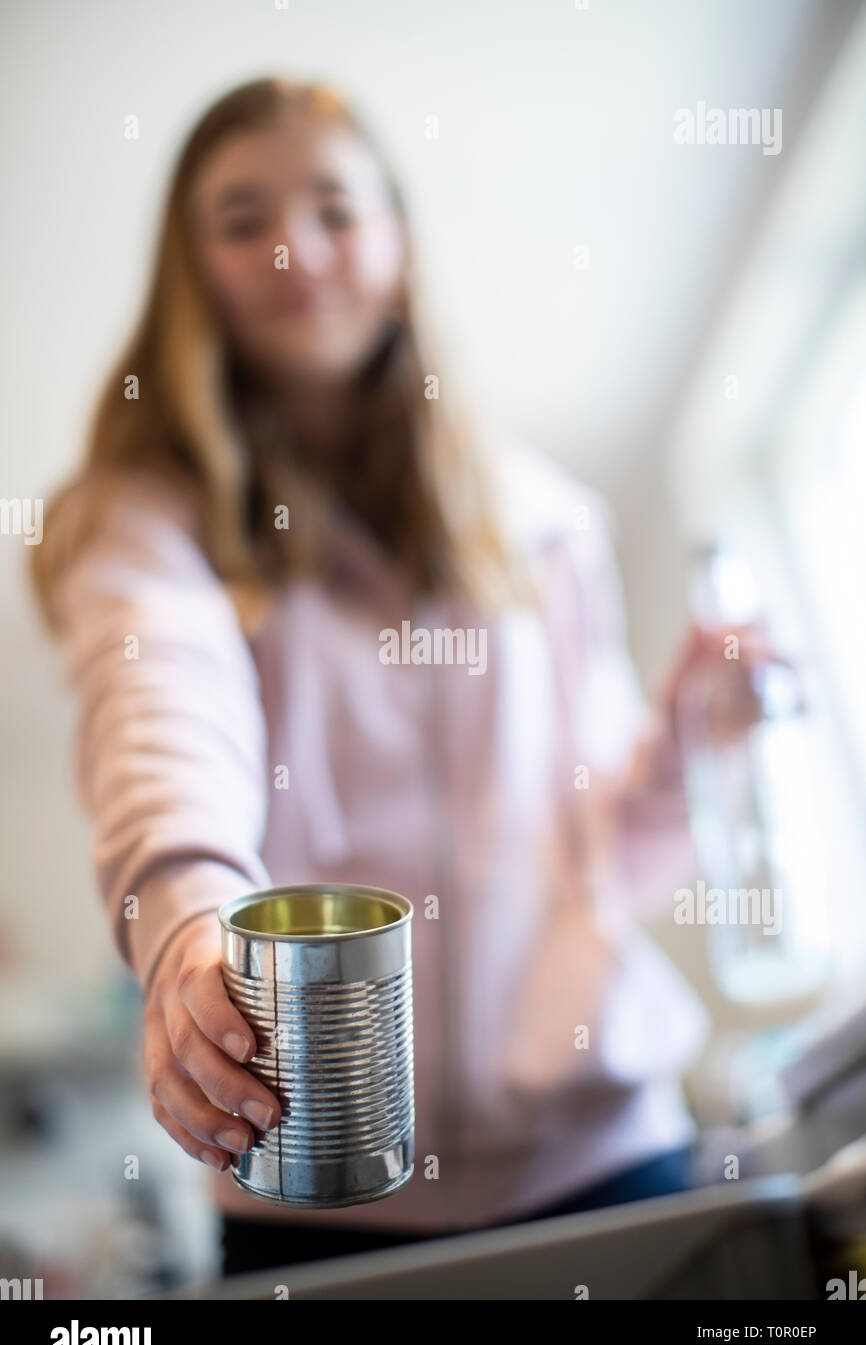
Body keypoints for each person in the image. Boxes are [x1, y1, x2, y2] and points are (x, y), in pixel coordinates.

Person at [30, 77, 753, 1281]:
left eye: (333, 209)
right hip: (310, 1191)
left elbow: (605, 862)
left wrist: (686, 751)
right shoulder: (145, 520)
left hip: (606, 1160)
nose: (293, 249)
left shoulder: (542, 526)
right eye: (240, 218)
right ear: (187, 269)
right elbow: (160, 714)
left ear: (400, 240)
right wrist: (184, 926)